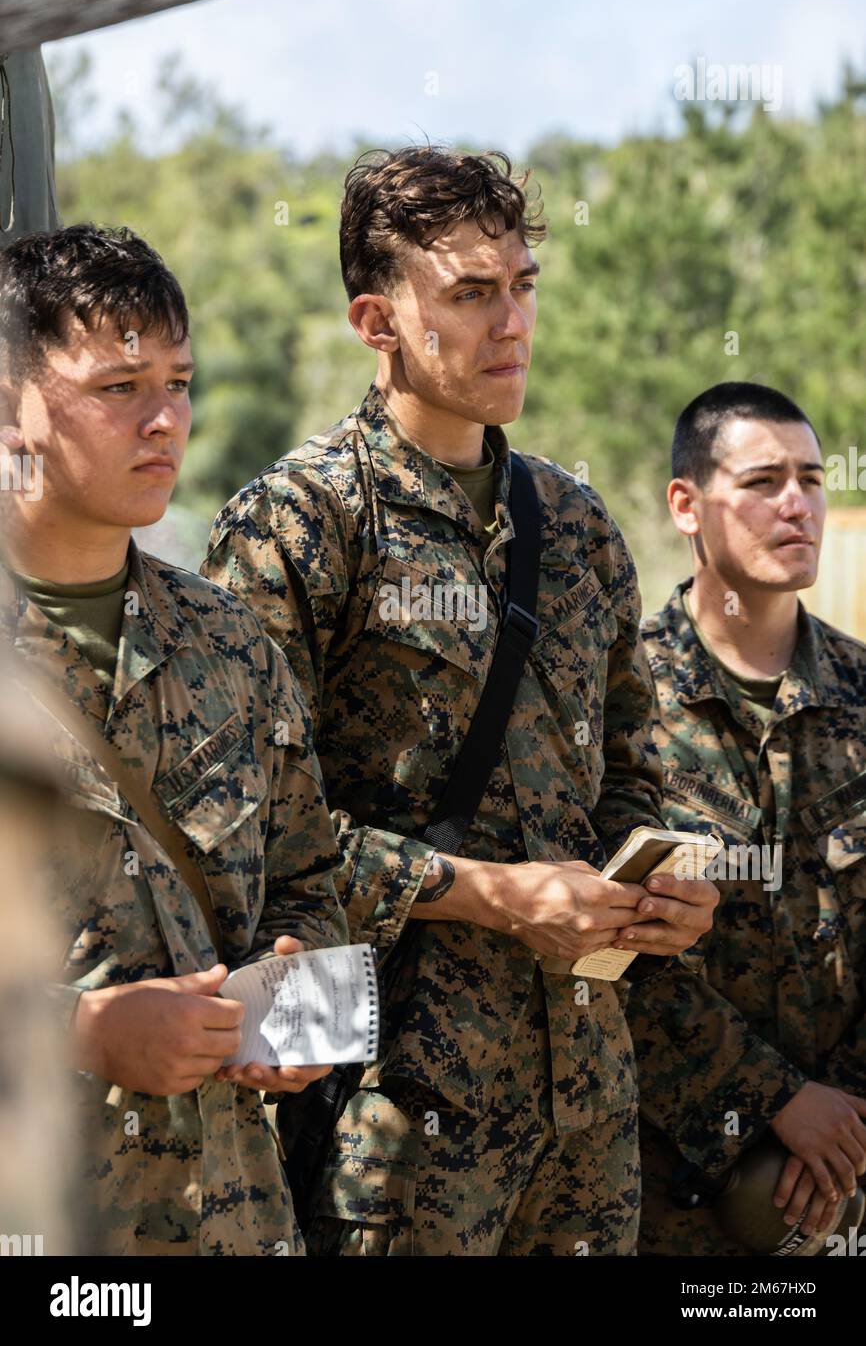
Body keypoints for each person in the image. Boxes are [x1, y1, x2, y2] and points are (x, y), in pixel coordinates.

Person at [203, 145, 718, 1256]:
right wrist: (493, 896)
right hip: (385, 1117)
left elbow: (630, 777)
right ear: (376, 320)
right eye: (471, 293)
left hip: (585, 1112)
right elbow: (256, 838)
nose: (512, 323)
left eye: (523, 285)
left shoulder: (575, 527)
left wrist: (660, 889)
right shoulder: (299, 525)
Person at [0, 223, 349, 1255]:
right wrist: (84, 1030)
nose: (164, 420)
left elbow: (308, 880)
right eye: (118, 388)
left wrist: (295, 1009)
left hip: (230, 1214)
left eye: (180, 384)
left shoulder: (228, 642)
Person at [628, 381, 866, 1254]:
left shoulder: (861, 692)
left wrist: (844, 1116)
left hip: (847, 1180)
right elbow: (606, 955)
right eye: (764, 482)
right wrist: (776, 1099)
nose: (797, 504)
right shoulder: (620, 701)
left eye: (812, 479)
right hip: (666, 1189)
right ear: (686, 505)